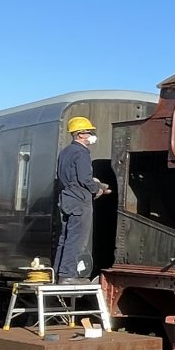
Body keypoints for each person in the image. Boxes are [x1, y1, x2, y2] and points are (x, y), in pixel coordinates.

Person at [52, 116, 110, 282]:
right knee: (77, 240)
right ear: (80, 135)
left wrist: (98, 185)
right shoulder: (81, 152)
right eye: (89, 132)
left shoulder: (65, 152)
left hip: (66, 199)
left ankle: (59, 274)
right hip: (80, 200)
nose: (91, 135)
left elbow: (69, 177)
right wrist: (97, 189)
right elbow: (85, 179)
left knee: (65, 238)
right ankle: (68, 276)